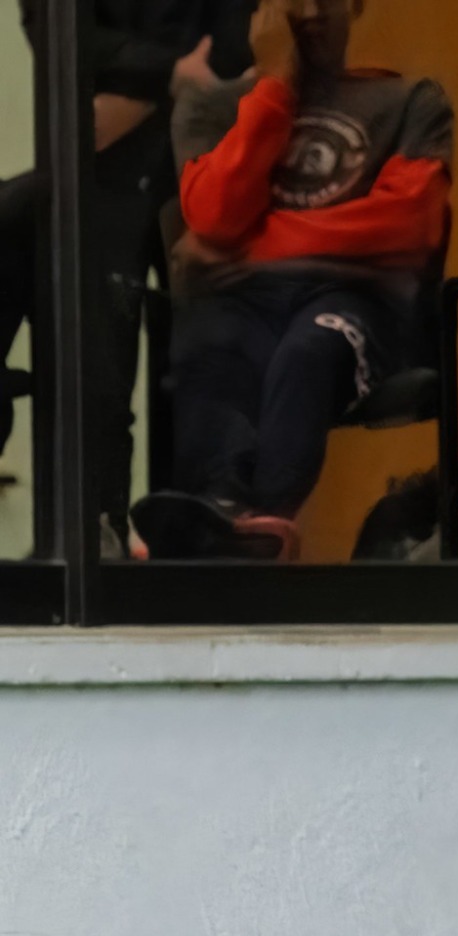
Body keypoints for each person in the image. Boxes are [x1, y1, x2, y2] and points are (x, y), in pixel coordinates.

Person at [130, 0, 450, 560]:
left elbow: (407, 224)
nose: (309, 12)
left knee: (311, 346)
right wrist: (274, 88)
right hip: (247, 305)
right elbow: (214, 215)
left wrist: (255, 248)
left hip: (355, 302)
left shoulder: (411, 101)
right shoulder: (216, 105)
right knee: (211, 342)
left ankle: (267, 523)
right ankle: (222, 511)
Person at [0, 0, 254, 552]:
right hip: (99, 158)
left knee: (205, 346)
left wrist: (145, 93)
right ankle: (97, 527)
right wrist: (171, 75)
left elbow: (237, 46)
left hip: (202, 146)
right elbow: (60, 35)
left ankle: (202, 530)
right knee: (98, 355)